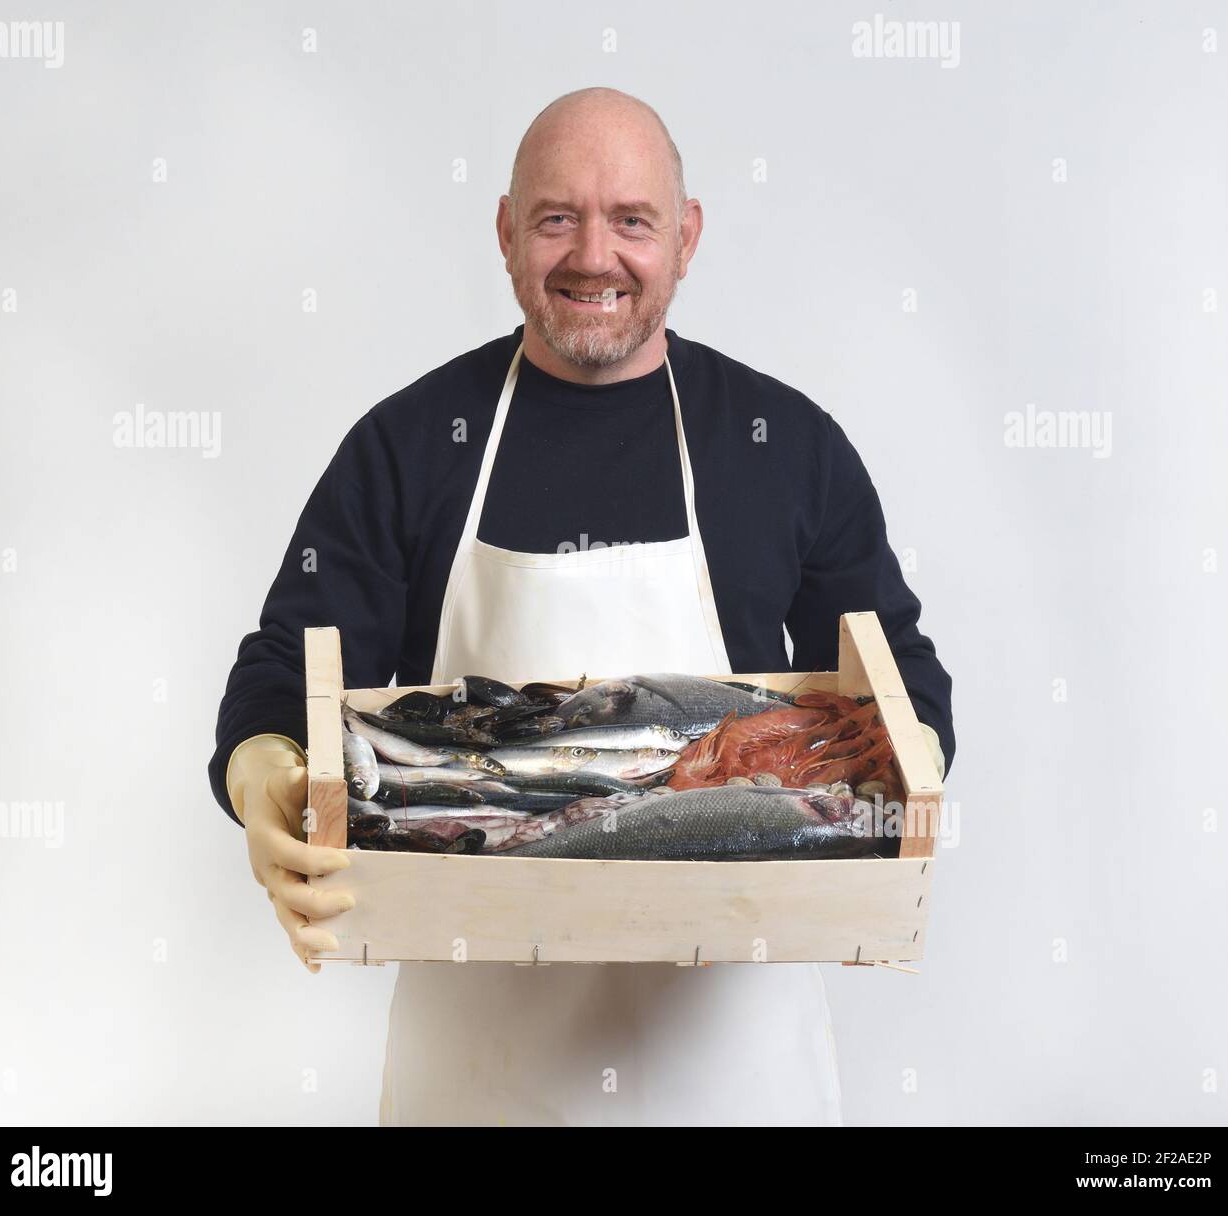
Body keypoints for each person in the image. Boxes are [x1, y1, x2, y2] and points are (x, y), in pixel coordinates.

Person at [210, 87, 955, 1126]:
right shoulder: (411, 445)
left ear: (686, 237)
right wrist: (262, 773)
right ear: (507, 233)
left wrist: (888, 791)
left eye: (632, 220)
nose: (593, 256)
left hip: (736, 1077)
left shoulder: (784, 445)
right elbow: (285, 668)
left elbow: (904, 682)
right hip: (480, 1078)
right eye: (557, 218)